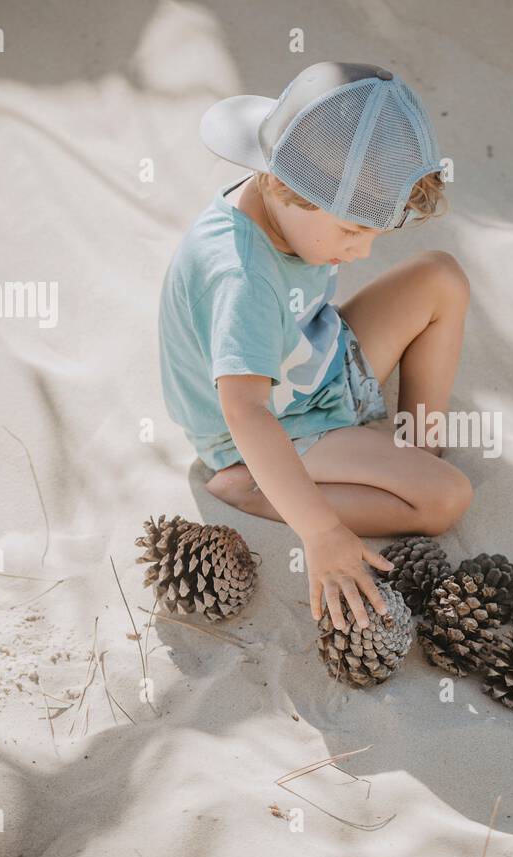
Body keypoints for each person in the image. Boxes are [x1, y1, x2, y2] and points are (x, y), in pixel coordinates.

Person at [157, 62, 472, 634]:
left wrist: (407, 450)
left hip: (317, 365)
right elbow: (245, 409)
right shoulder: (242, 275)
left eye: (377, 232)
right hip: (267, 430)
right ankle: (255, 490)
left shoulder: (284, 207)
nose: (361, 253)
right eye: (352, 231)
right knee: (444, 501)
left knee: (440, 278)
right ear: (287, 187)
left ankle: (414, 448)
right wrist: (322, 533)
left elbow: (319, 292)